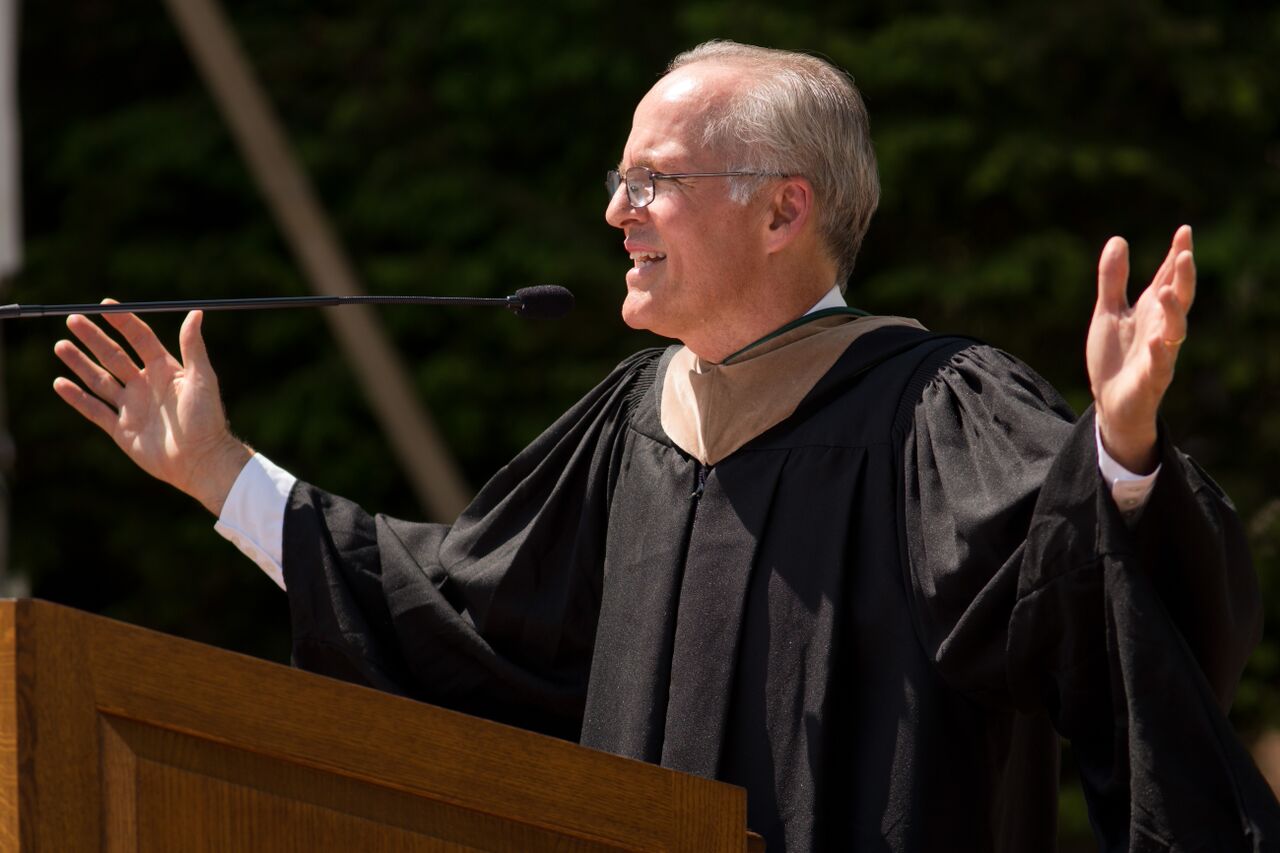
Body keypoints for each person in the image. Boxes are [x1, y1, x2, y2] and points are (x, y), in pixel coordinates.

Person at [51, 41, 1278, 852]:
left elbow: (1064, 589)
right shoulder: (628, 424)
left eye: (653, 181)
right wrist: (222, 475)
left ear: (782, 207)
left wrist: (1116, 450)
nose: (613, 213)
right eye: (616, 179)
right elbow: (460, 618)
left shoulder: (931, 409)